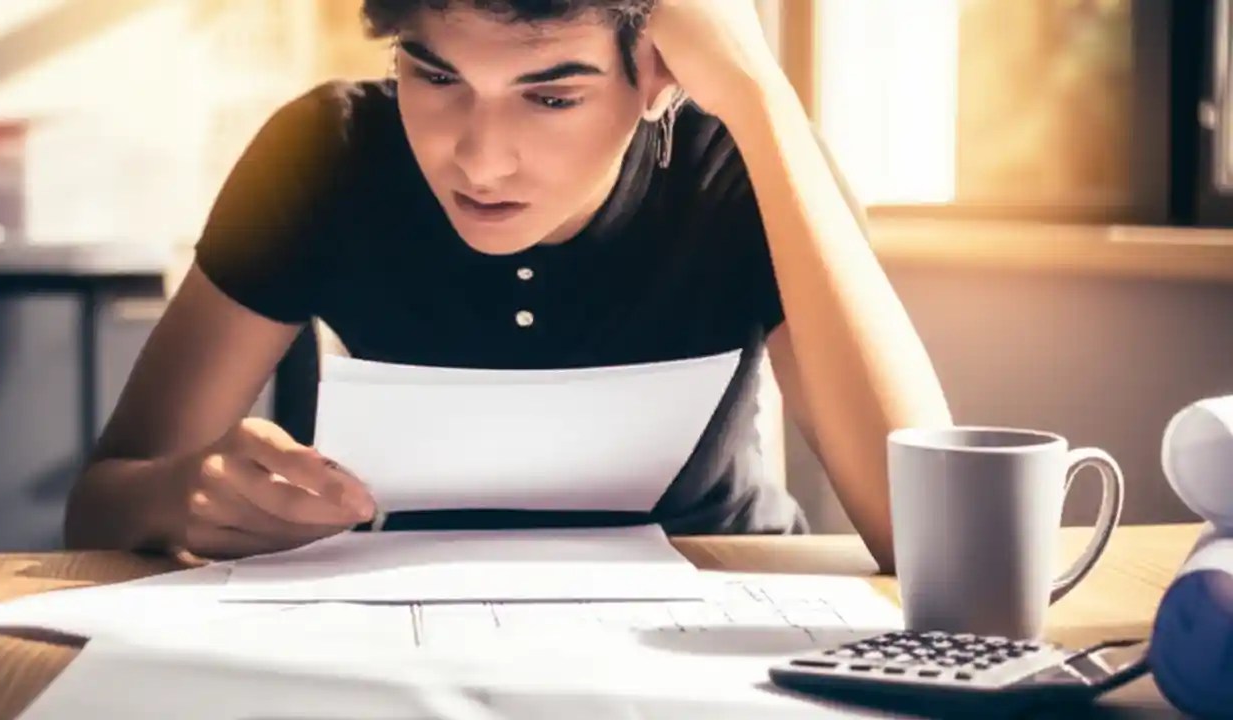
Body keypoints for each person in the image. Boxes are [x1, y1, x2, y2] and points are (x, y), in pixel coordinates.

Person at [64, 0, 952, 571]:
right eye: (436, 75)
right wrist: (183, 493)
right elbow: (99, 504)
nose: (480, 161)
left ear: (660, 75)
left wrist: (758, 94)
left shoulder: (741, 161)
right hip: (394, 628)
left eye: (551, 96)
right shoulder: (325, 152)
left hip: (720, 612)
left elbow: (939, 538)